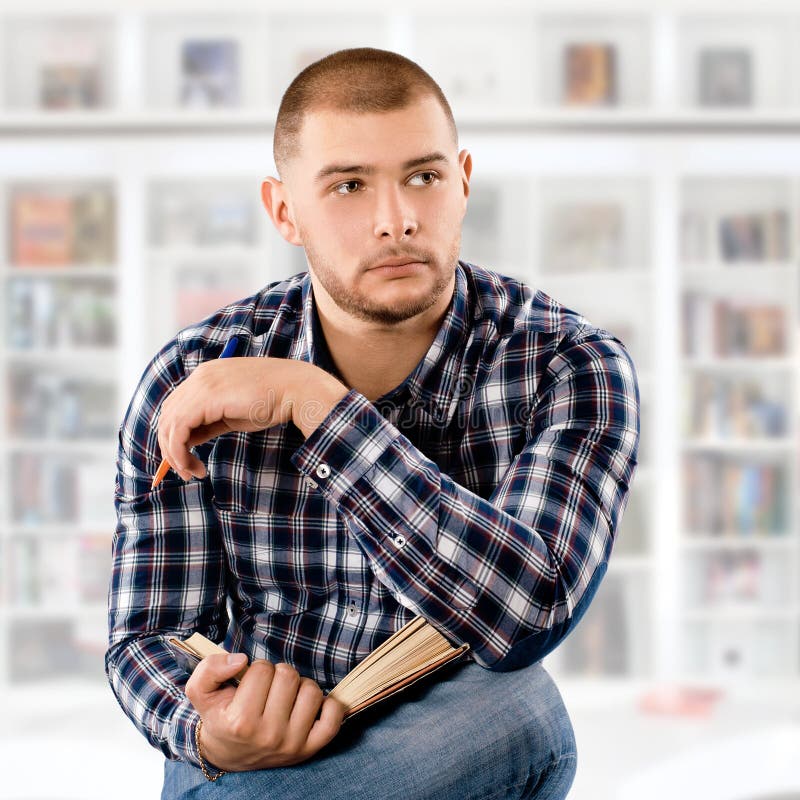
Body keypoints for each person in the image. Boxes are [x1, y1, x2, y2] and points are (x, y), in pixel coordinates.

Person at [106, 47, 640, 800]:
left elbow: (528, 608)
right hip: (263, 753)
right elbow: (147, 631)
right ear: (284, 210)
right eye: (349, 186)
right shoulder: (187, 378)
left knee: (520, 711)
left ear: (462, 182)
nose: (396, 220)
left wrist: (314, 404)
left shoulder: (571, 364)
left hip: (461, 738)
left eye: (423, 177)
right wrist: (205, 727)